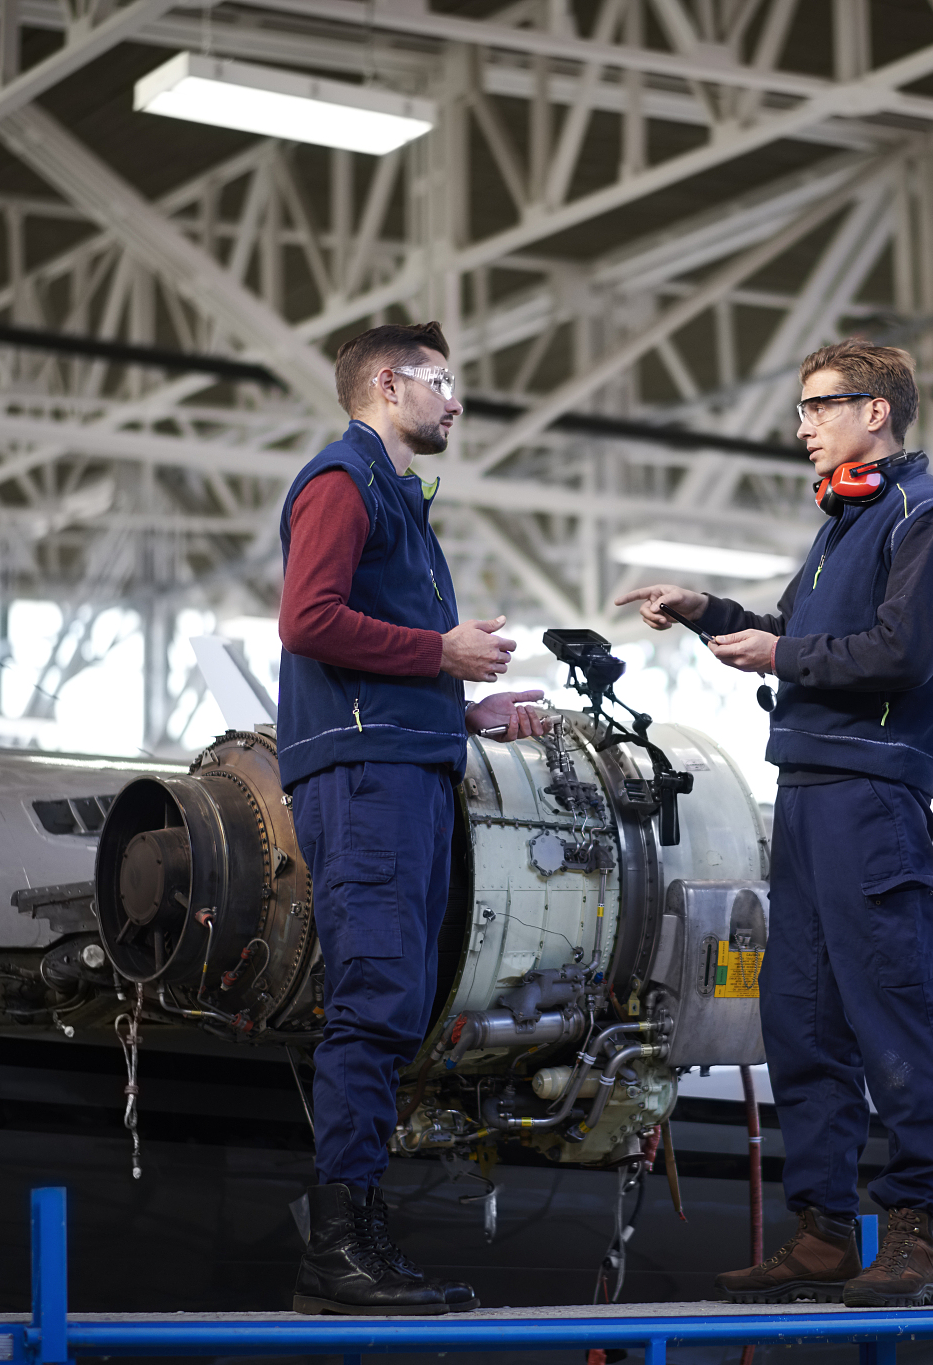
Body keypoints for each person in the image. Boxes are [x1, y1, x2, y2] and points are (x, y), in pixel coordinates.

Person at [614, 340, 933, 1309]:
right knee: (801, 1018)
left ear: (876, 412)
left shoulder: (927, 517)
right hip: (809, 793)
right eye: (803, 408)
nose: (802, 426)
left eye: (820, 406)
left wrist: (780, 653)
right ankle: (822, 1230)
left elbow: (898, 652)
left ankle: (912, 1232)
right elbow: (796, 635)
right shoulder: (842, 528)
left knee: (893, 1007)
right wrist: (705, 610)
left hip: (872, 795)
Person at [276, 320, 547, 1316]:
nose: (455, 400)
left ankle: (355, 1237)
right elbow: (307, 620)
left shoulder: (395, 498)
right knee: (376, 1002)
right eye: (441, 380)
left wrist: (464, 709)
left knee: (395, 1006)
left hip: (405, 765)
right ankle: (336, 1250)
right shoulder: (342, 481)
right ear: (388, 384)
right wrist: (440, 654)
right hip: (368, 780)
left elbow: (366, 650)